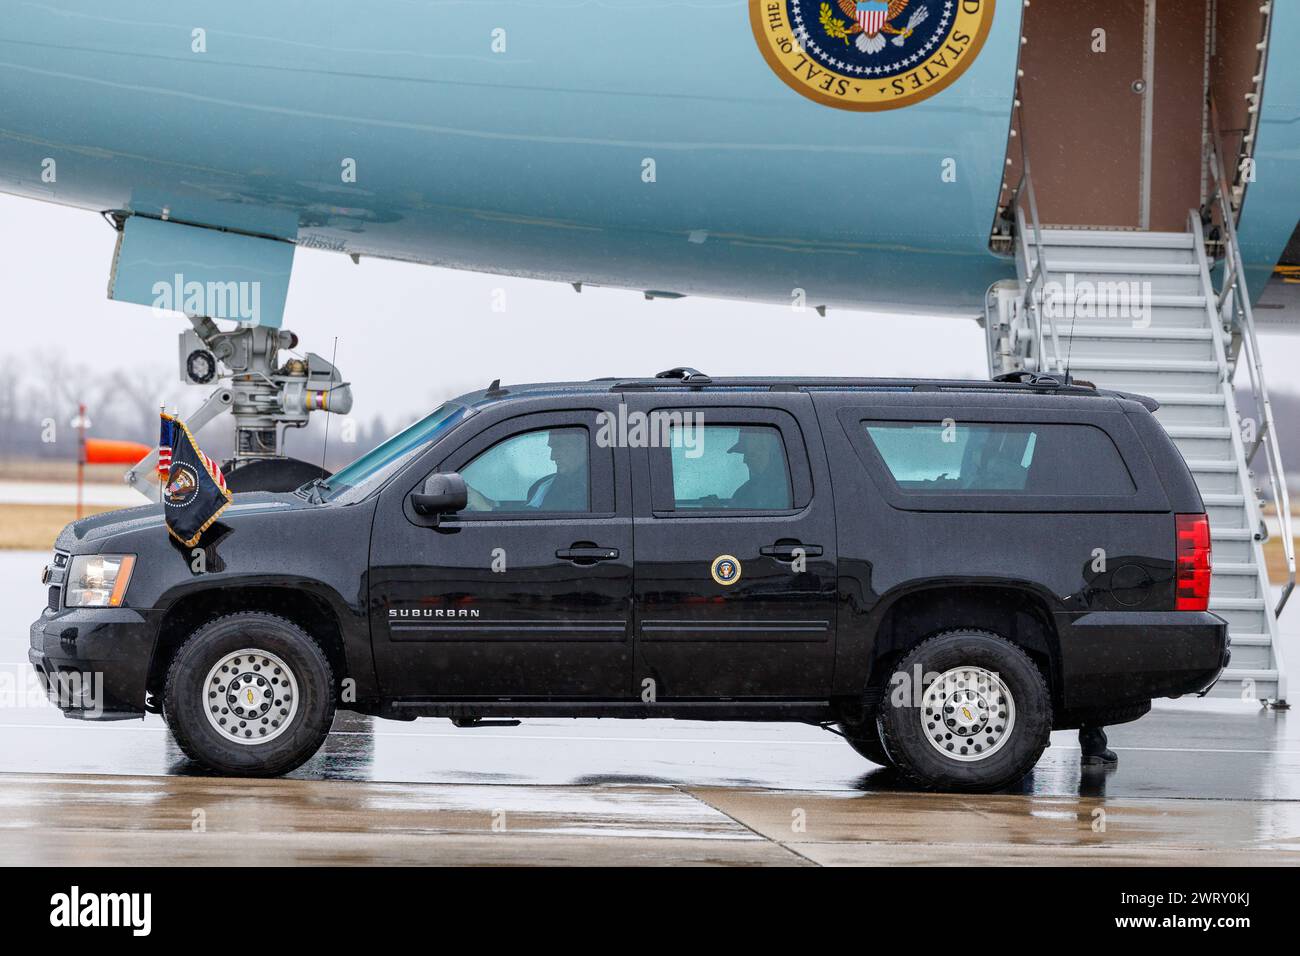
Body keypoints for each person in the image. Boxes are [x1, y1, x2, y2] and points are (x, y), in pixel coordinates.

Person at [524, 430, 588, 511]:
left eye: (559, 446)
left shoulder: (603, 484)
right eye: (552, 448)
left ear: (582, 446)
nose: (552, 457)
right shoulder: (540, 488)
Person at [728, 428, 791, 509]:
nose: (745, 460)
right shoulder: (744, 491)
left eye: (751, 454)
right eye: (745, 453)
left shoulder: (783, 491)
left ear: (768, 450)